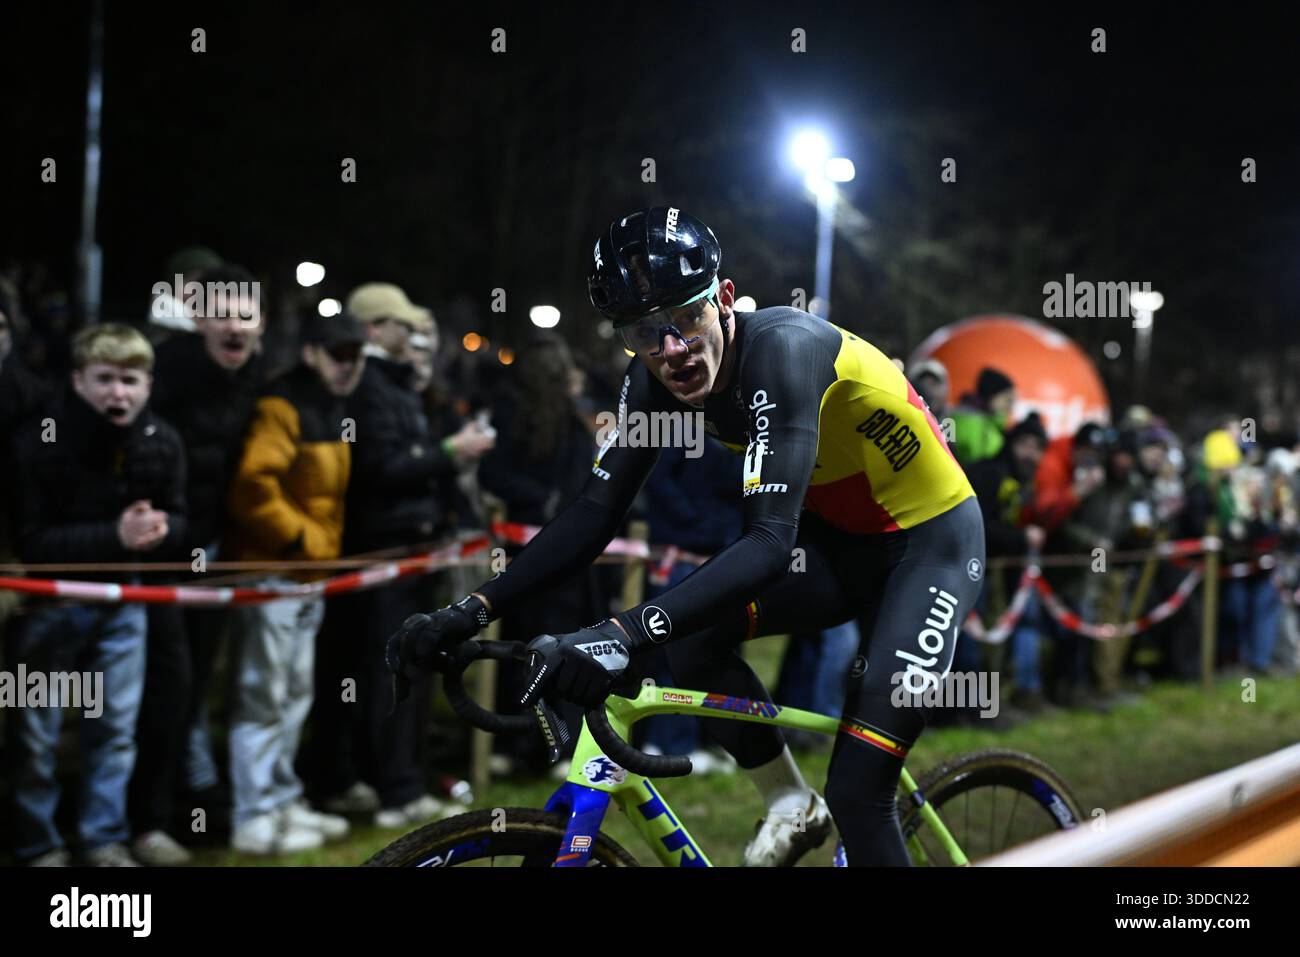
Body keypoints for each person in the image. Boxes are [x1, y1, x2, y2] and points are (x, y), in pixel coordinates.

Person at [389, 207, 984, 867]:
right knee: (693, 634)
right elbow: (594, 512)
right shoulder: (651, 381)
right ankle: (790, 801)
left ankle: (837, 803)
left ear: (725, 298)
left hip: (929, 545)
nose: (671, 348)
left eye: (687, 318)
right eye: (643, 332)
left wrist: (621, 633)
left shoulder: (785, 350)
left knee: (858, 790)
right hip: (839, 545)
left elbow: (767, 543)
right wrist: (472, 609)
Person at [306, 283, 492, 826]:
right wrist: (450, 452)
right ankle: (391, 788)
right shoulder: (370, 389)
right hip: (384, 552)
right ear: (373, 328)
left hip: (411, 550)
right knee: (388, 672)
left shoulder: (396, 385)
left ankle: (397, 780)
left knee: (407, 668)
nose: (413, 335)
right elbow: (380, 469)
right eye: (402, 325)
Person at [7, 324, 188, 866]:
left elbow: (182, 519)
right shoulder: (37, 441)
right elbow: (32, 543)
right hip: (46, 608)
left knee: (113, 730)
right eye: (104, 379)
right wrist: (116, 535)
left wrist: (162, 531)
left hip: (123, 604)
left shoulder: (162, 440)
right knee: (34, 737)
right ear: (78, 380)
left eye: (130, 380)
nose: (118, 393)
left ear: (149, 384)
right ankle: (37, 844)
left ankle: (103, 839)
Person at [127, 264, 265, 864]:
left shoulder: (254, 378)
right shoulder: (163, 375)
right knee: (166, 687)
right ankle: (148, 822)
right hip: (157, 557)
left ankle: (193, 804)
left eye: (245, 314)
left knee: (194, 685)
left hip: (214, 553)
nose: (235, 326)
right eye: (222, 314)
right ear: (198, 319)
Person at [222, 313, 366, 855]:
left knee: (292, 693)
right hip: (274, 572)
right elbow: (253, 486)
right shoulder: (280, 406)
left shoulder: (328, 406)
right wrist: (302, 541)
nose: (348, 364)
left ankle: (281, 801)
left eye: (356, 355)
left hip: (305, 575)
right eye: (338, 353)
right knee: (262, 695)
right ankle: (253, 812)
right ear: (311, 353)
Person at [966, 413, 1050, 711]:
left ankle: (997, 702)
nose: (1031, 454)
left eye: (1037, 448)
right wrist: (1021, 538)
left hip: (999, 571)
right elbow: (977, 526)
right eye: (1025, 445)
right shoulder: (990, 473)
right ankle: (974, 708)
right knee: (974, 640)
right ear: (1011, 445)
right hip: (973, 569)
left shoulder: (1021, 480)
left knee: (995, 637)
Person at [949, 367, 1016, 467]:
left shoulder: (997, 425)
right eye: (1007, 399)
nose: (1010, 406)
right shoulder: (960, 420)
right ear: (992, 394)